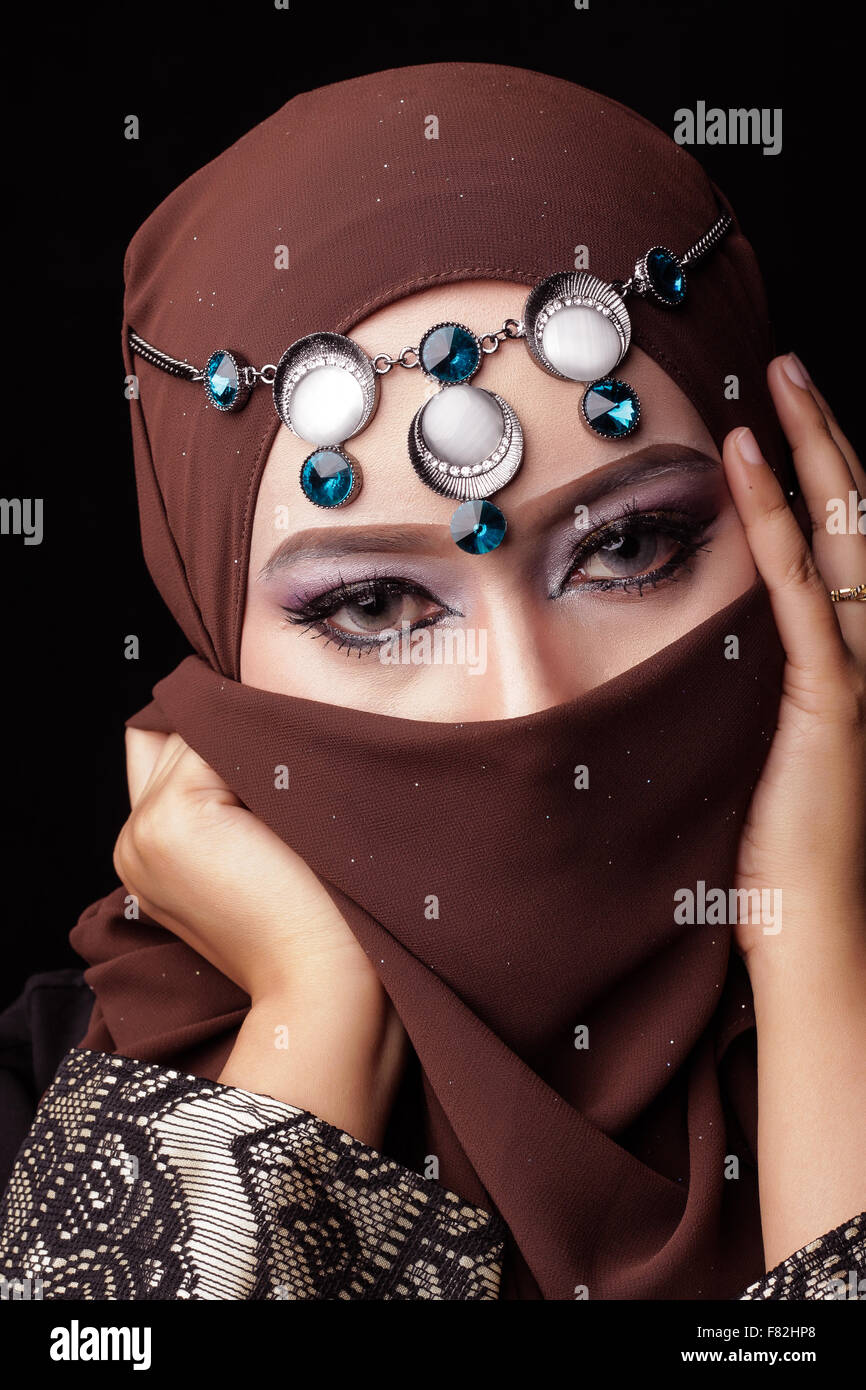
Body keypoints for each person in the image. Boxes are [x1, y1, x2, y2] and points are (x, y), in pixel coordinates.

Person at [1, 62, 863, 1301]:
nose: (523, 700)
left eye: (627, 547)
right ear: (213, 629)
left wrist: (813, 948)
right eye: (372, 604)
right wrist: (310, 1020)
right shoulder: (54, 1089)